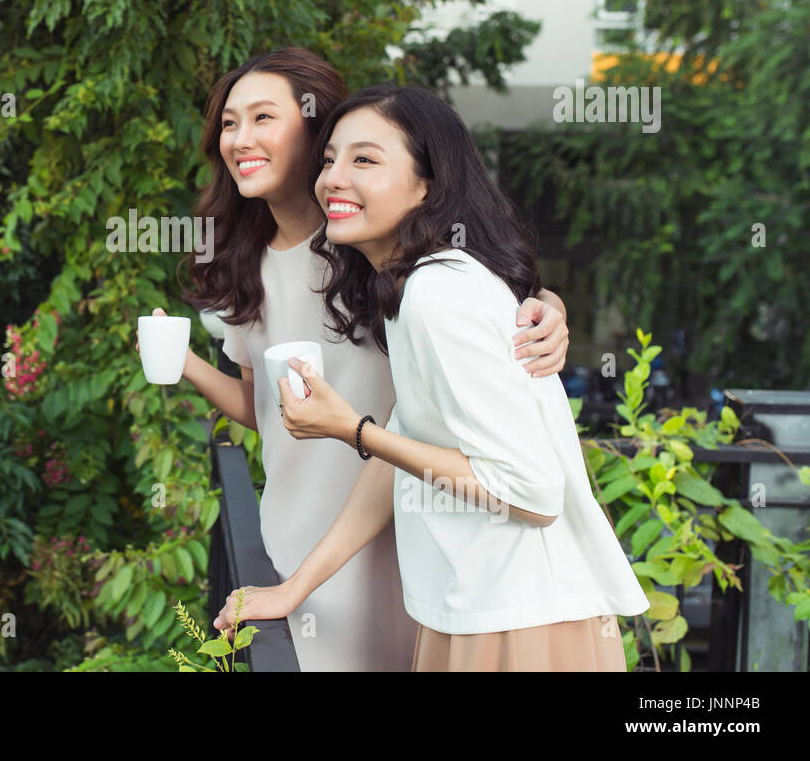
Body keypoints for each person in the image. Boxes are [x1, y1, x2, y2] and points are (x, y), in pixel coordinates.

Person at [144, 49, 570, 670]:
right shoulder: (244, 261)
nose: (240, 139)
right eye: (229, 123)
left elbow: (474, 290)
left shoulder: (368, 239)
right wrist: (184, 362)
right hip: (291, 536)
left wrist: (545, 307)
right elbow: (265, 408)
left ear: (317, 126)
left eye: (264, 118)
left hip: (396, 536)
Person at [212, 84, 648, 670]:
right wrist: (296, 589)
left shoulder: (437, 290)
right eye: (330, 159)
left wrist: (355, 431)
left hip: (517, 623)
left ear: (428, 184)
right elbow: (400, 453)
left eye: (364, 159)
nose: (334, 177)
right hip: (472, 609)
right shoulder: (413, 287)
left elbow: (530, 492)